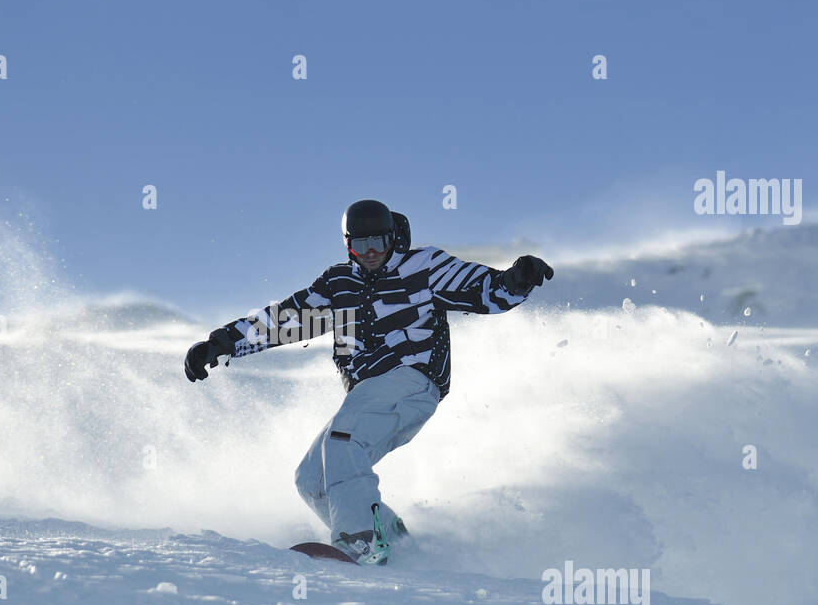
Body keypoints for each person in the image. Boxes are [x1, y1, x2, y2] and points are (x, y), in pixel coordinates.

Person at [184, 199, 553, 565]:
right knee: (312, 479)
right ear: (348, 245)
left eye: (379, 241)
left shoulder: (422, 267)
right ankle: (393, 536)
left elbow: (481, 289)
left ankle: (359, 539)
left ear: (393, 237)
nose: (372, 252)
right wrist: (221, 343)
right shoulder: (339, 284)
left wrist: (515, 280)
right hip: (368, 395)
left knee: (343, 439)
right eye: (360, 245)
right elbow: (286, 319)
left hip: (413, 377)